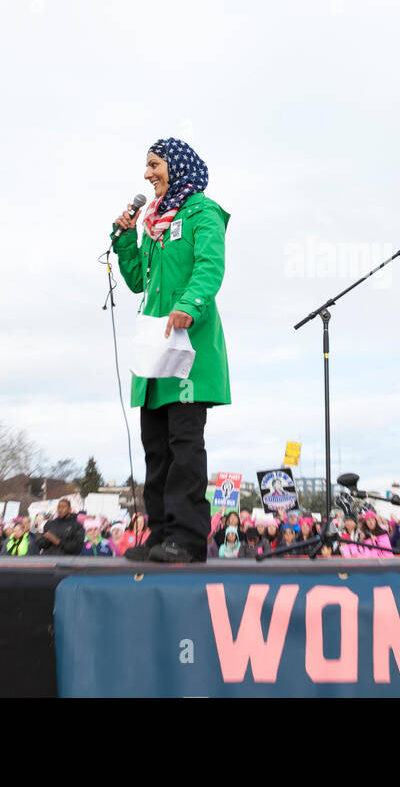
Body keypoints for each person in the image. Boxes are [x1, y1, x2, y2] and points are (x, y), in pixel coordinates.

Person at [111, 138, 231, 564]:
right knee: (156, 447)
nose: (147, 174)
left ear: (176, 166)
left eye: (154, 165)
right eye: (146, 166)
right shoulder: (152, 222)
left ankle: (188, 538)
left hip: (188, 348)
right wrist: (126, 240)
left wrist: (189, 304)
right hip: (155, 348)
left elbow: (209, 267)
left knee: (184, 445)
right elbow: (138, 282)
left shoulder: (203, 212)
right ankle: (161, 533)